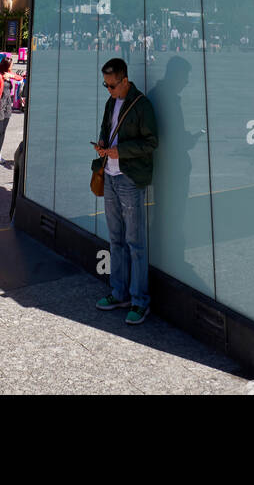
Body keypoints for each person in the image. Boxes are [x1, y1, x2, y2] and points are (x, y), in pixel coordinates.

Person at [92, 57, 158, 326]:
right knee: (115, 240)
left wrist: (123, 151)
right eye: (106, 85)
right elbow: (106, 131)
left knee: (135, 243)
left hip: (130, 178)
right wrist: (102, 145)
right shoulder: (111, 103)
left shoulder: (142, 105)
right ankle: (119, 293)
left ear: (125, 80)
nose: (109, 90)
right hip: (109, 175)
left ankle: (140, 300)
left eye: (112, 85)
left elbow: (152, 142)